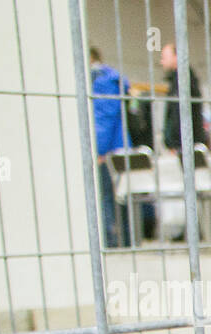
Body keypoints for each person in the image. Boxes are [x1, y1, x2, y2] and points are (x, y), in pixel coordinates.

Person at [89, 47, 130, 248]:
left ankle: (111, 240)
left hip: (108, 151)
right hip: (120, 147)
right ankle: (126, 239)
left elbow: (103, 119)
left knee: (105, 196)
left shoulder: (101, 81)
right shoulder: (112, 80)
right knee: (121, 195)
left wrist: (99, 150)